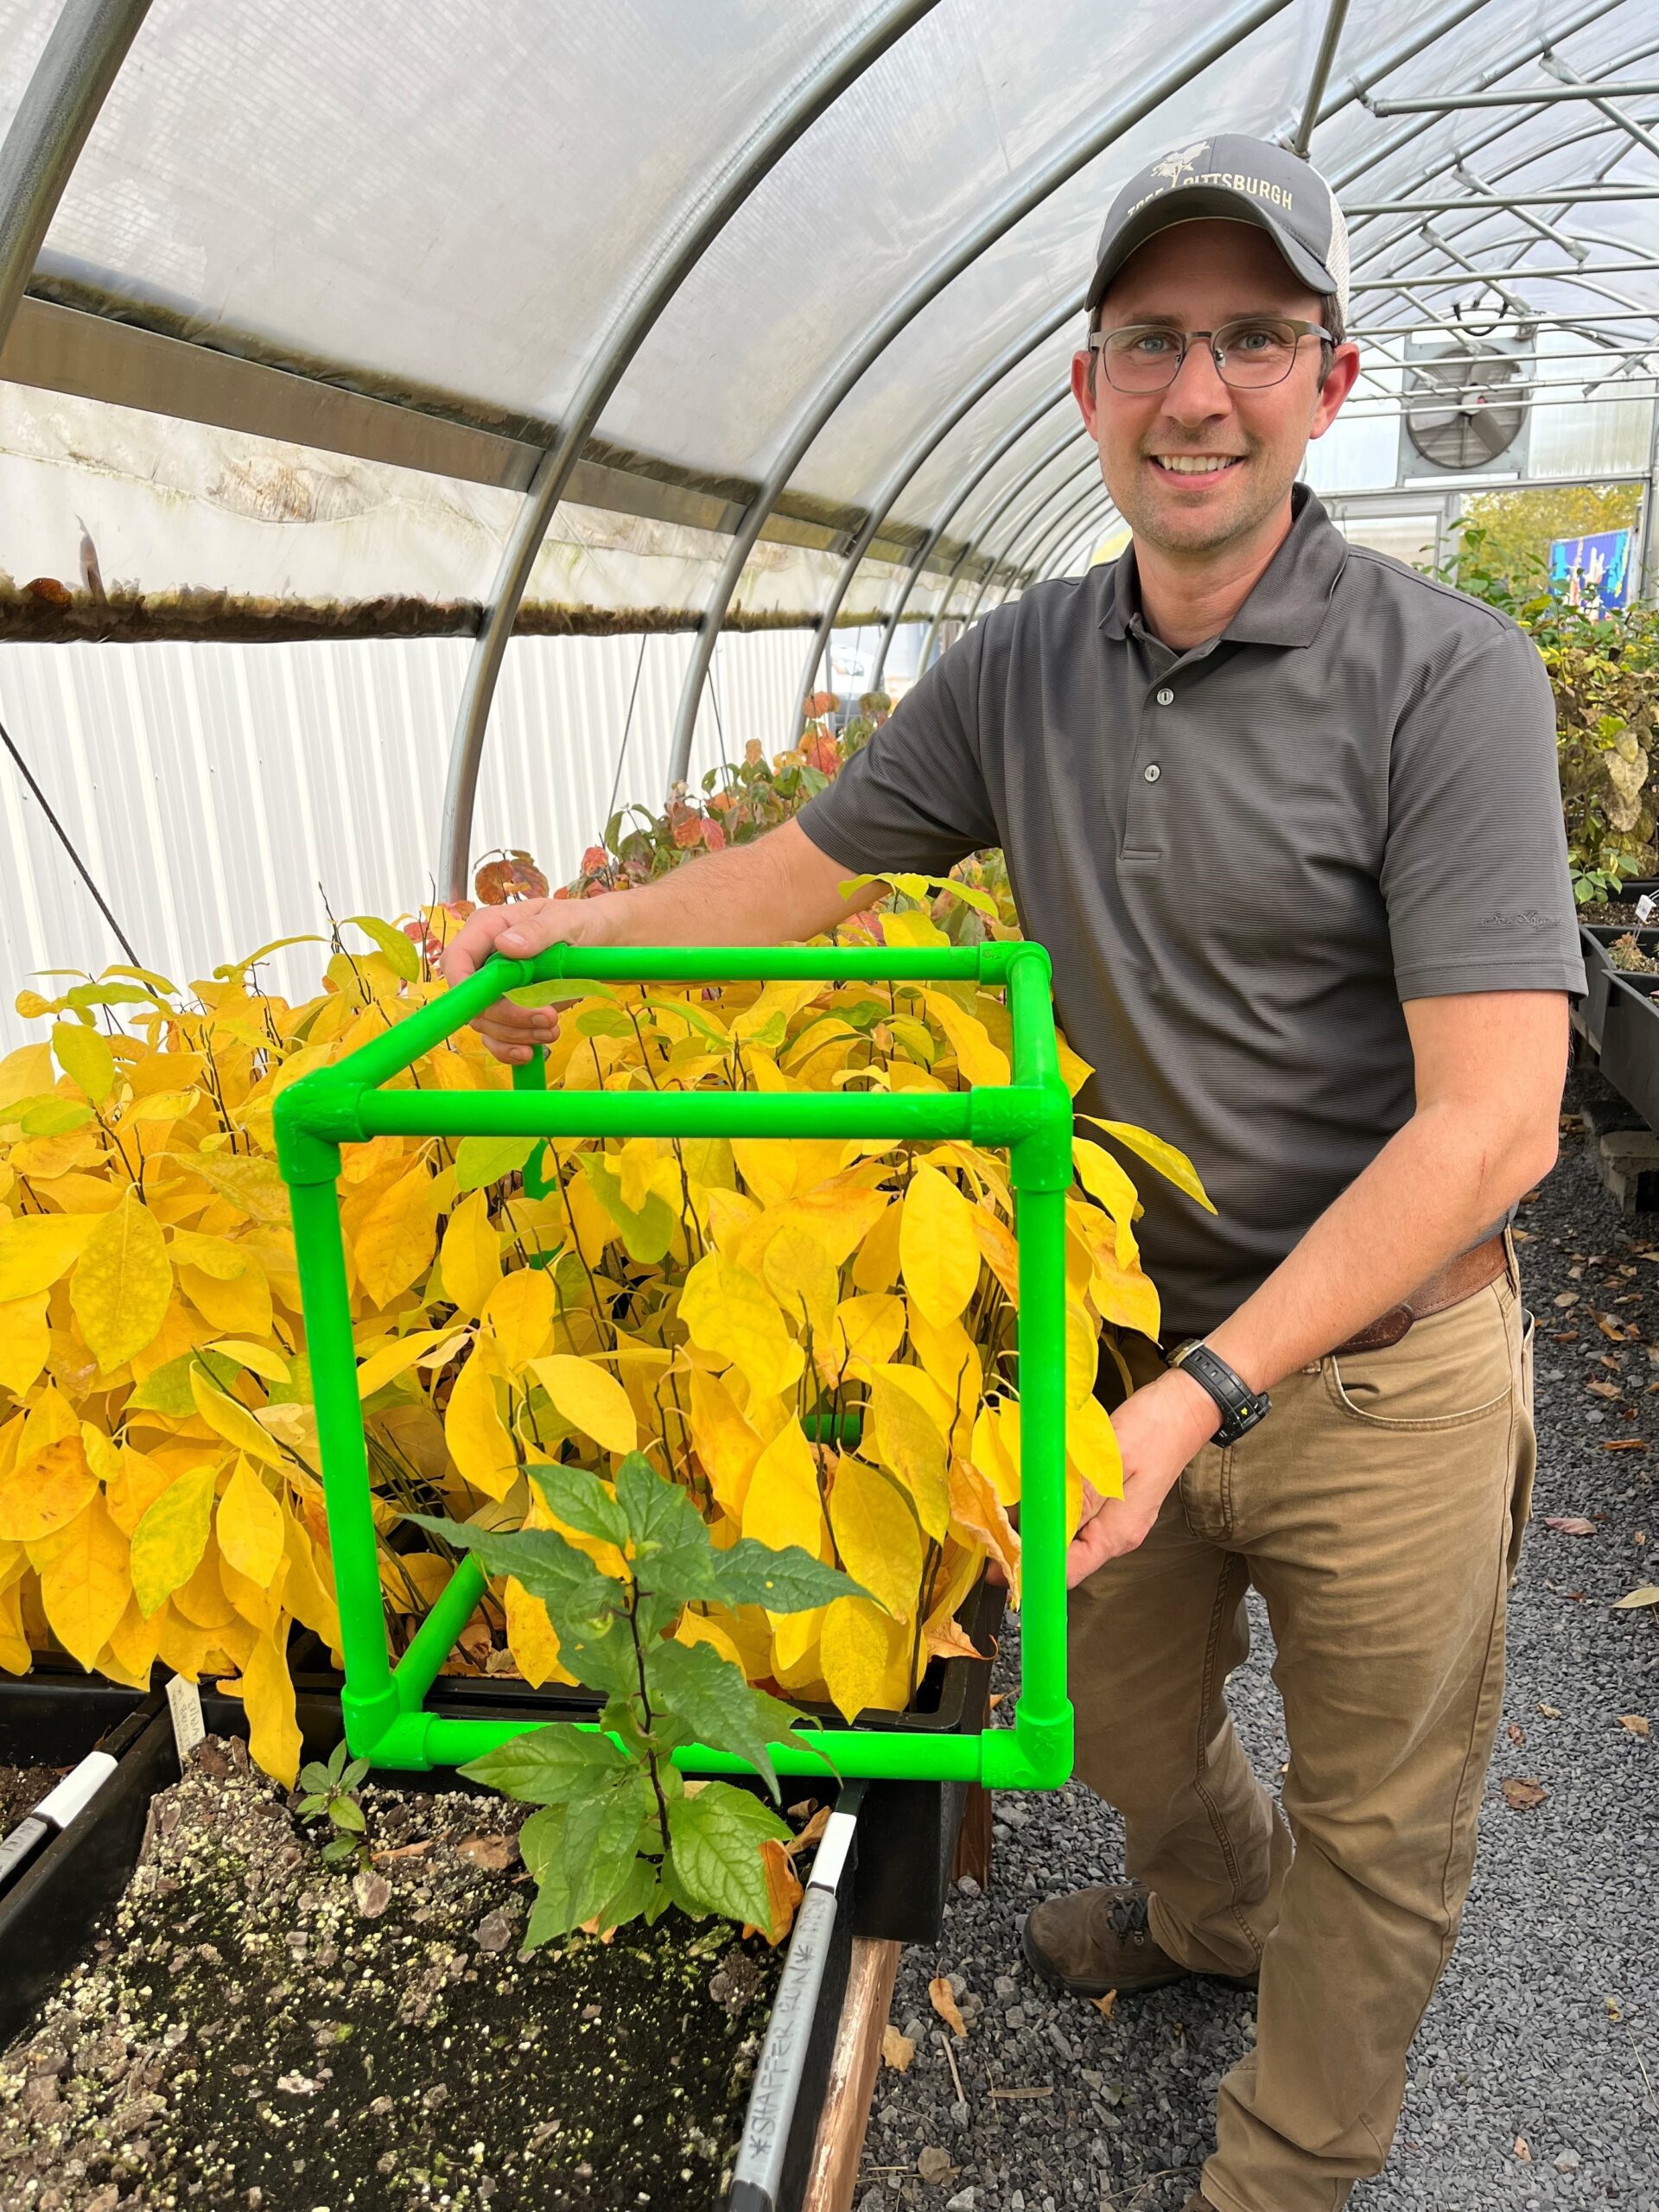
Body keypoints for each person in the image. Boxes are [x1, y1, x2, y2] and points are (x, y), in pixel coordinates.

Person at [445, 134, 1583, 2212]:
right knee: (1124, 1729)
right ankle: (1208, 1910)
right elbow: (794, 875)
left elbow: (1497, 1119)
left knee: (1387, 1816)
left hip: (1382, 1371)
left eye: (1253, 337)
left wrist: (1208, 1393)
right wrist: (571, 935)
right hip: (1112, 1335)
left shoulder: (1450, 679)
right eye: (1153, 340)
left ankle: (1291, 2160)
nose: (1198, 390)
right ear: (1087, 387)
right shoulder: (1022, 667)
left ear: (1330, 383)